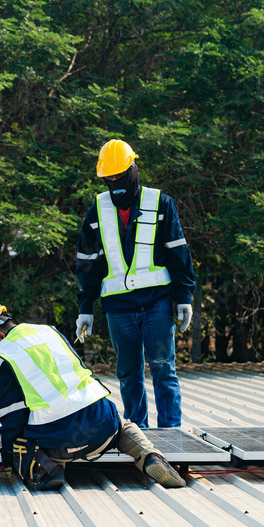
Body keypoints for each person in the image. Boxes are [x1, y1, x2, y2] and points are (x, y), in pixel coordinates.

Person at [0, 303, 186, 491]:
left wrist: (8, 456)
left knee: (25, 443)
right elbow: (51, 376)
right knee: (124, 425)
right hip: (102, 428)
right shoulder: (50, 332)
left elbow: (13, 417)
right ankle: (150, 457)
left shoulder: (2, 357)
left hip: (58, 443)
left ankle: (49, 470)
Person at [74, 140, 196, 428]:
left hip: (157, 302)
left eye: (120, 175)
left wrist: (184, 297)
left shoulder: (161, 204)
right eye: (109, 177)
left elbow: (179, 254)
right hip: (118, 307)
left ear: (133, 170)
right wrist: (85, 307)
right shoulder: (97, 211)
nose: (115, 182)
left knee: (163, 369)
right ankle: (137, 433)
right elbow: (88, 264)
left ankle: (171, 431)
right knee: (128, 374)